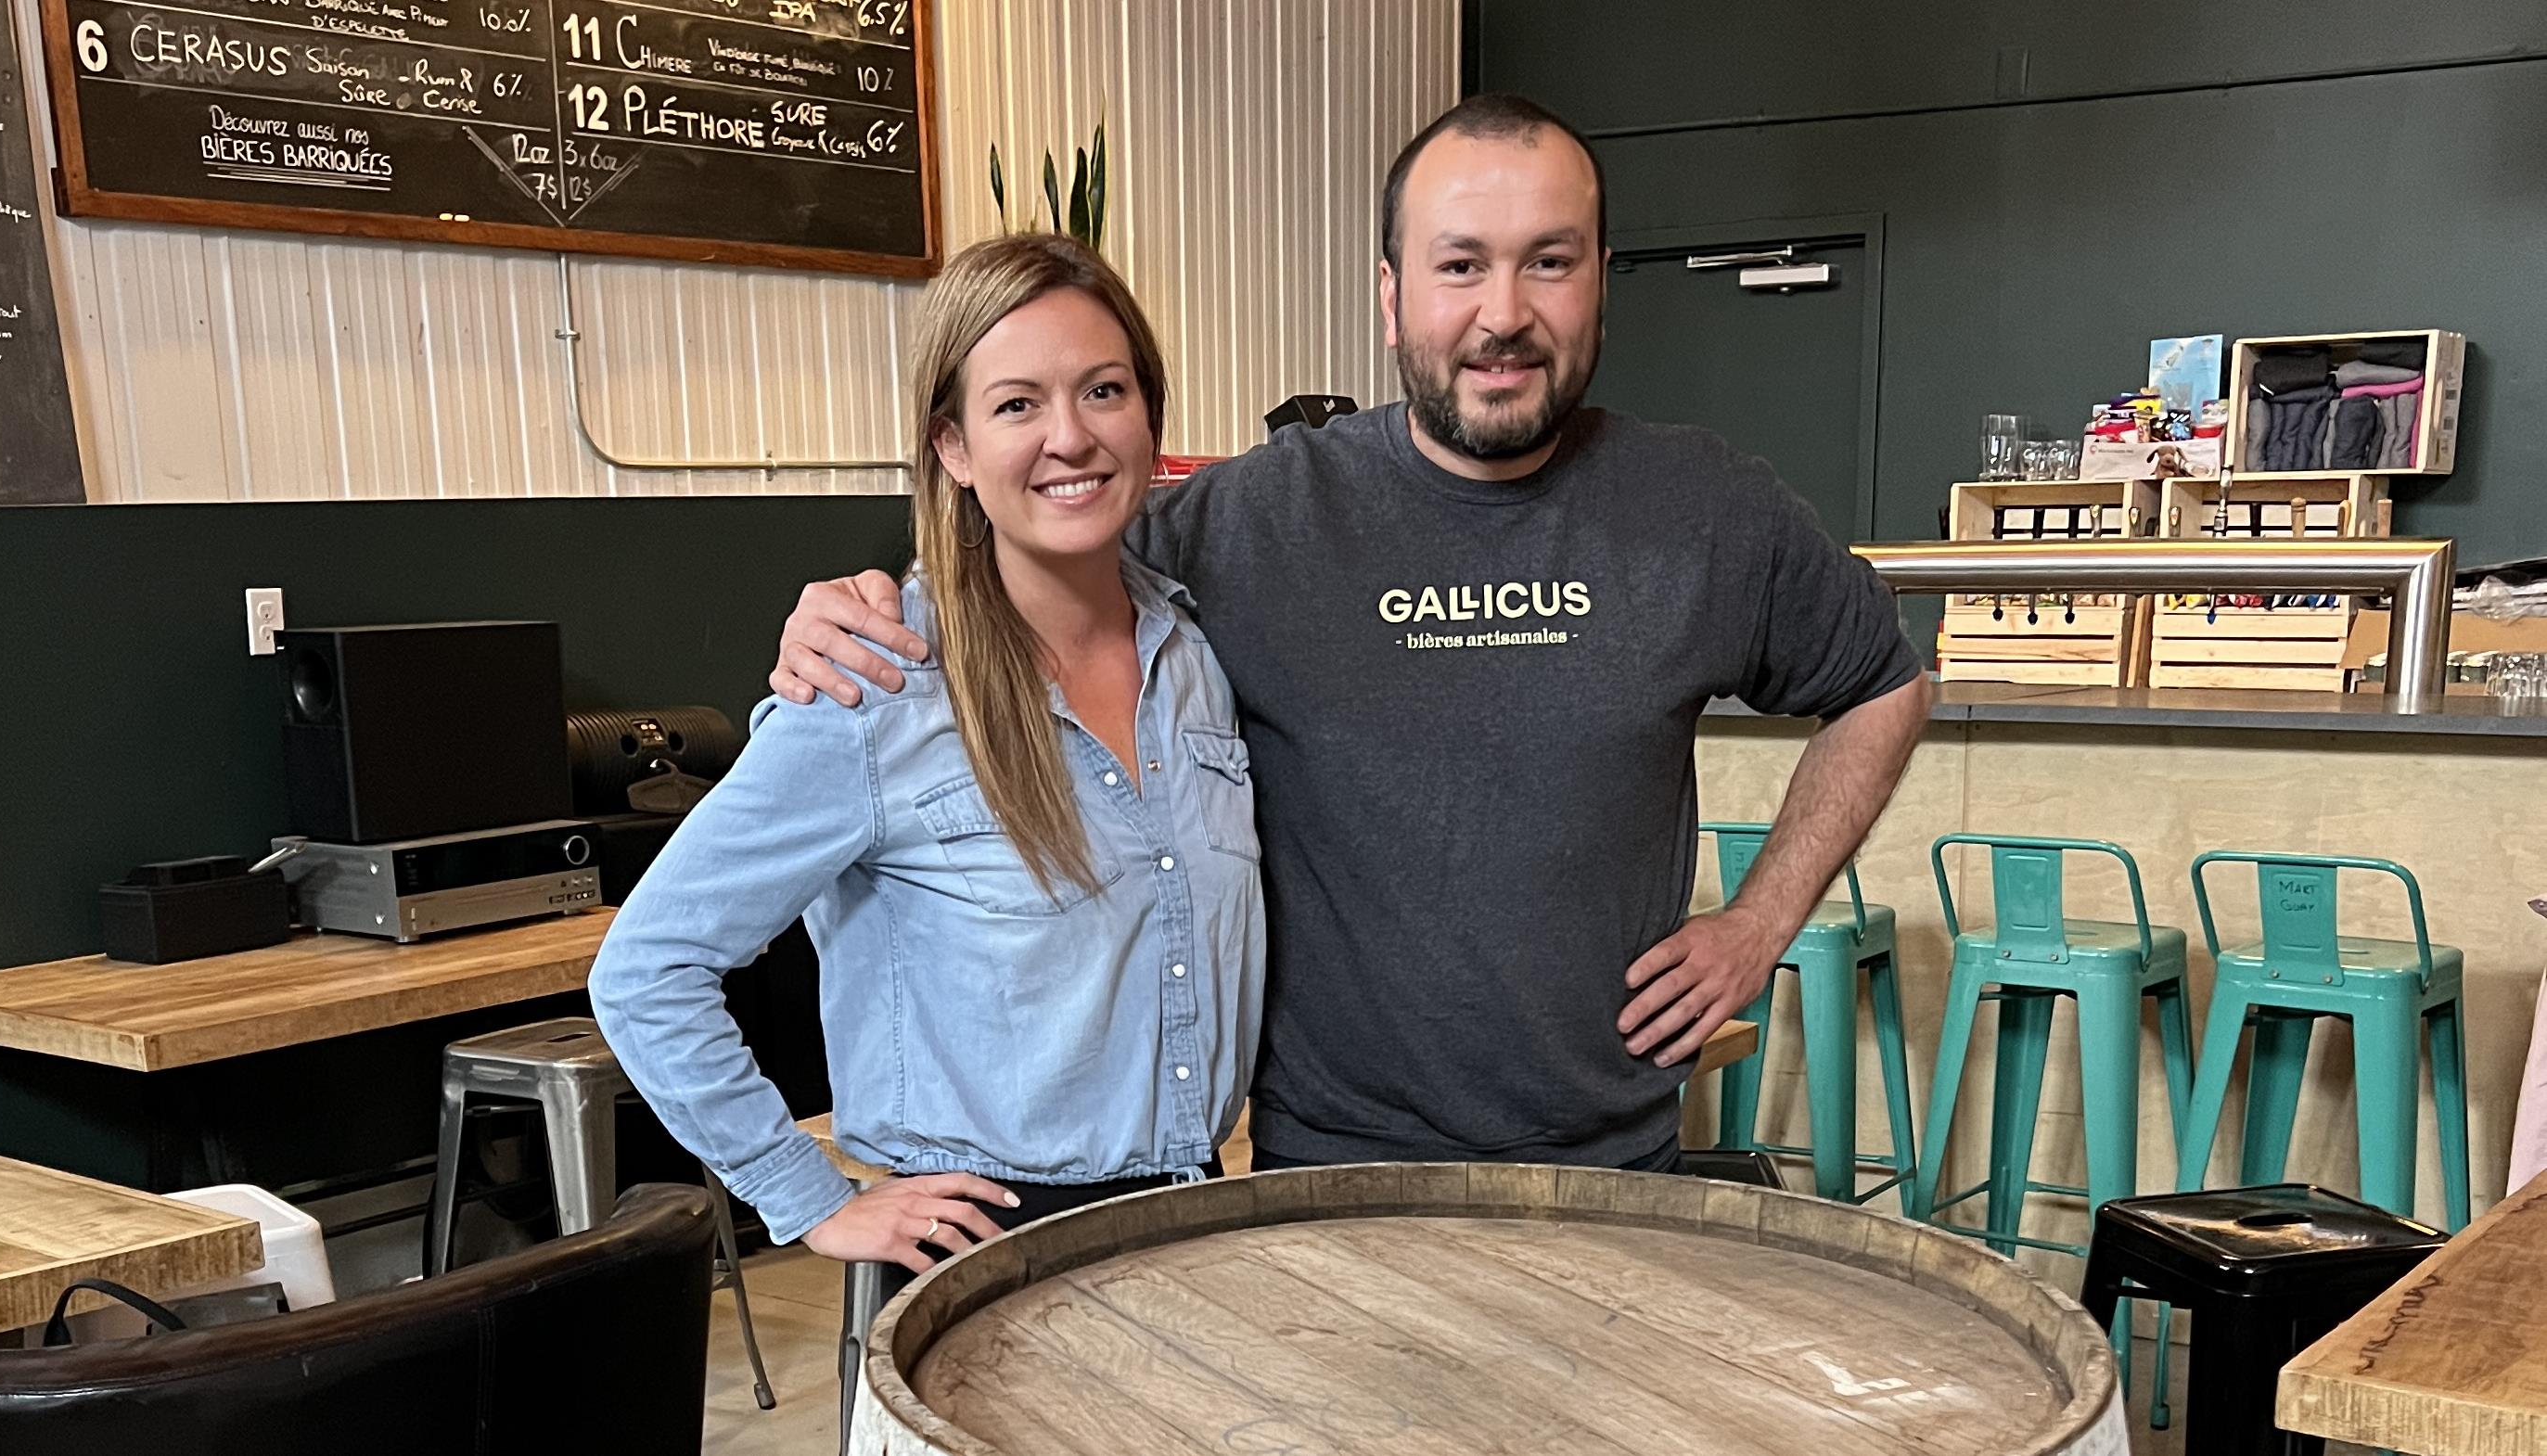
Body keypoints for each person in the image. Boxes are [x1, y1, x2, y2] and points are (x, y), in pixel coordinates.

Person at [769, 94, 1929, 1177]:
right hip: (1324, 1173)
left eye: (1550, 262)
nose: (1504, 314)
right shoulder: (1244, 521)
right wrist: (872, 610)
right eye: (1459, 266)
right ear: (1391, 296)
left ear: (1600, 283)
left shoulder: (1704, 510)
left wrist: (1758, 921)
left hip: (1611, 1163)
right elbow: (1034, 552)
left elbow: (1885, 682)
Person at [589, 232, 1263, 1274]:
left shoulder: (1198, 657)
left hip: (1189, 1229)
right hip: (978, 1253)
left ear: (1149, 418)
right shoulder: (873, 685)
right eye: (1016, 405)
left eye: (1103, 390)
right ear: (951, 447)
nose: (1069, 437)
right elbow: (645, 969)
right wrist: (805, 1195)